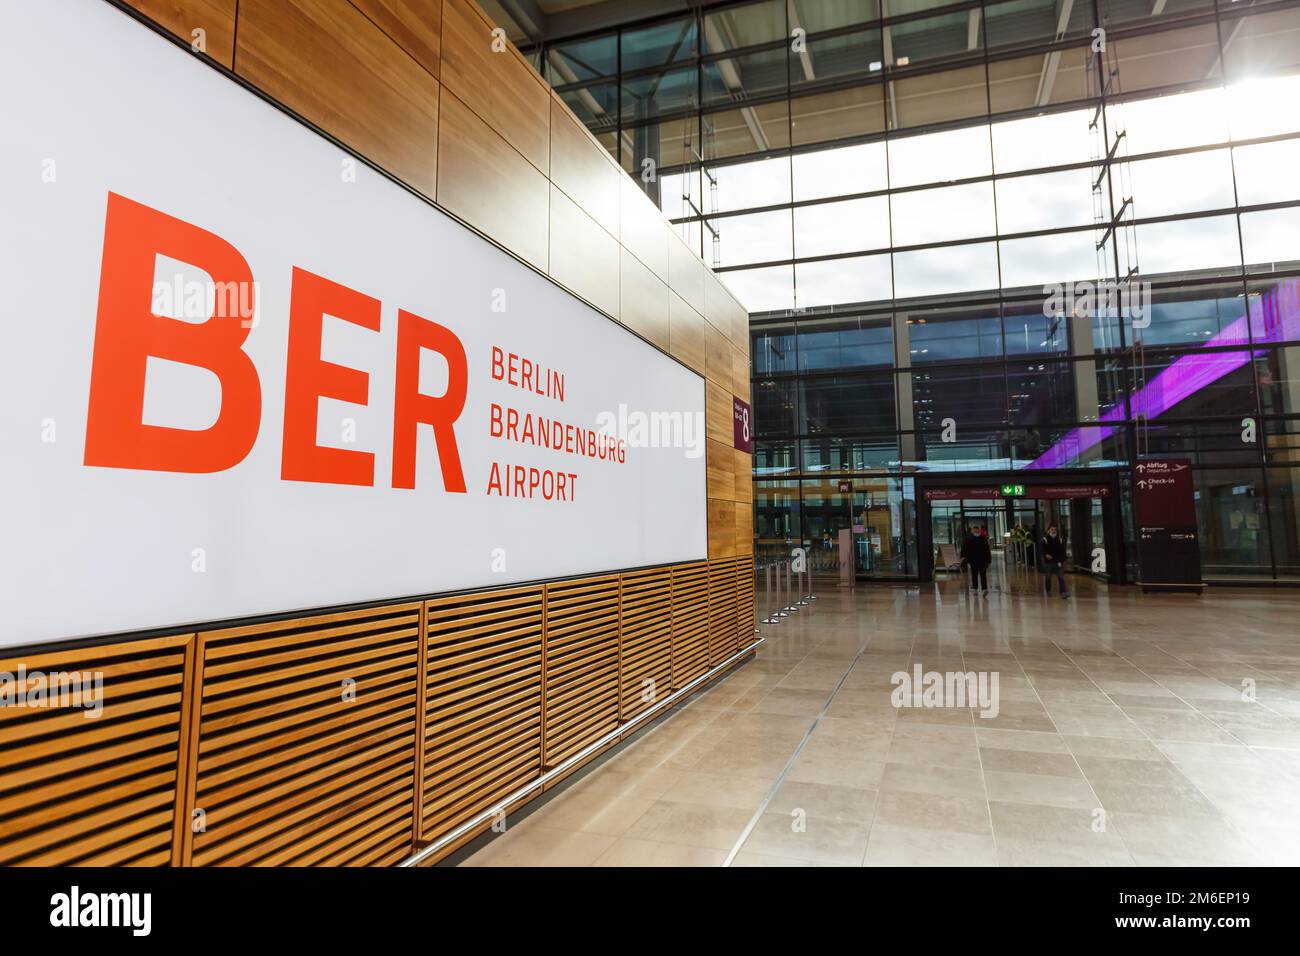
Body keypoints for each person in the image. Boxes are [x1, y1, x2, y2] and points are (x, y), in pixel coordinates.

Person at [961, 525, 992, 594]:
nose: (976, 531)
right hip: (973, 560)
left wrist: (988, 560)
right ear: (972, 531)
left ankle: (984, 589)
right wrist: (963, 557)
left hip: (982, 560)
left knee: (983, 574)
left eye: (977, 530)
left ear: (979, 531)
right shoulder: (969, 539)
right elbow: (964, 549)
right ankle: (975, 588)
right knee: (974, 574)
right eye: (974, 530)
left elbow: (987, 550)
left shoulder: (982, 538)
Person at [1041, 524, 1068, 597]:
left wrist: (1064, 560)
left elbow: (1063, 551)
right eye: (1052, 530)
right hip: (1049, 562)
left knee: (1061, 577)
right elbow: (1042, 550)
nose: (1053, 531)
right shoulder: (1045, 539)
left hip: (1058, 561)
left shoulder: (1060, 539)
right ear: (1048, 530)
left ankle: (1063, 592)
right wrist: (1046, 554)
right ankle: (1048, 591)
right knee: (1048, 576)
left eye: (1055, 530)